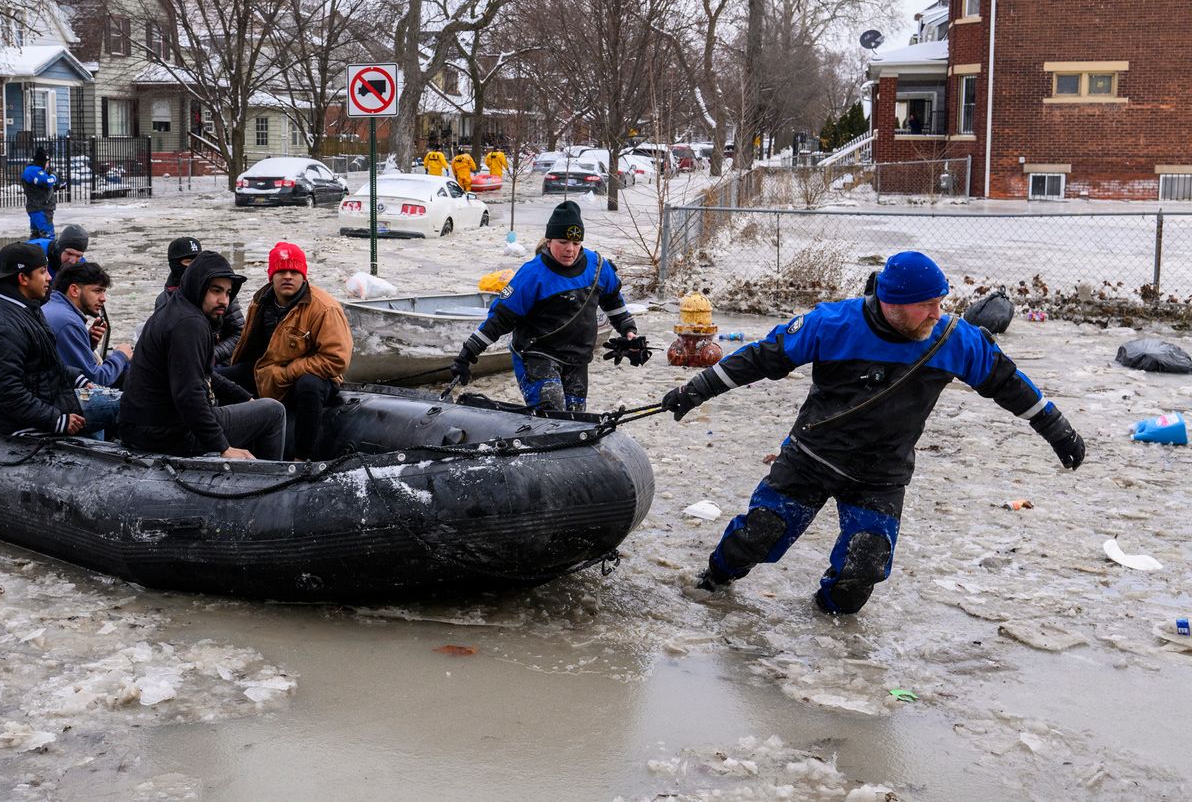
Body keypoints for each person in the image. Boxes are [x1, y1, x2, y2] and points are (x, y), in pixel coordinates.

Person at [669, 251, 1086, 615]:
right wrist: (696, 390)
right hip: (812, 457)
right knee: (759, 536)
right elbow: (761, 357)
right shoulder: (831, 323)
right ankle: (713, 581)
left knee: (862, 571)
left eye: (940, 303)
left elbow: (1006, 382)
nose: (937, 314)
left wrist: (1056, 428)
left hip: (881, 473)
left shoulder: (952, 339)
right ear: (893, 302)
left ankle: (827, 621)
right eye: (927, 305)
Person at [449, 201, 648, 412]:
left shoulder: (597, 266)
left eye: (576, 242)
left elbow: (613, 299)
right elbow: (500, 319)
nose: (570, 249)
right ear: (549, 240)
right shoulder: (532, 274)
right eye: (563, 242)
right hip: (537, 355)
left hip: (577, 358)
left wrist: (628, 331)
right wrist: (467, 354)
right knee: (552, 418)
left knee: (574, 420)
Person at [118, 251, 286, 460]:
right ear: (198, 286)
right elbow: (189, 394)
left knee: (254, 405)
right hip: (167, 433)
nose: (223, 301)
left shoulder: (173, 309)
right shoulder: (190, 324)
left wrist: (244, 397)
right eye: (216, 291)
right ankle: (271, 480)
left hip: (142, 426)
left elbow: (202, 373)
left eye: (227, 293)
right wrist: (223, 447)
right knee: (273, 411)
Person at [0, 242, 109, 438]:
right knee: (127, 407)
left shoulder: (23, 306)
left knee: (112, 405)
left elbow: (44, 361)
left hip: (45, 397)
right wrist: (56, 419)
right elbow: (7, 394)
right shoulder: (2, 326)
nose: (50, 277)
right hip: (22, 419)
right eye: (43, 272)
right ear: (23, 278)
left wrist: (75, 377)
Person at [227, 242, 352, 459]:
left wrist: (287, 373)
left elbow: (336, 359)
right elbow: (250, 350)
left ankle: (302, 457)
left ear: (303, 276)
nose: (287, 276)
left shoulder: (324, 307)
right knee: (222, 378)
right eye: (281, 271)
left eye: (294, 271)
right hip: (269, 370)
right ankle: (221, 442)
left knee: (309, 385)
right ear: (271, 276)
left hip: (313, 377)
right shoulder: (260, 301)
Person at [42, 261, 131, 396]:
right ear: (74, 290)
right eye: (97, 291)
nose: (103, 298)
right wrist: (121, 356)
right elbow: (95, 381)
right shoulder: (68, 322)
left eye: (104, 291)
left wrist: (87, 343)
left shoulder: (53, 308)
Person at [154, 236, 244, 366]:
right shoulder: (164, 300)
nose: (194, 267)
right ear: (174, 264)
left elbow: (240, 333)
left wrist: (212, 356)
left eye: (197, 261)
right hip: (184, 366)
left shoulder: (222, 293)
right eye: (189, 262)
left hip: (220, 364)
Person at [22, 147, 63, 240]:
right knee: (48, 237)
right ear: (42, 161)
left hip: (39, 208)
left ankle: (33, 254)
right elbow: (47, 182)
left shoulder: (36, 171)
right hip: (41, 209)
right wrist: (54, 175)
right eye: (47, 162)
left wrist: (56, 187)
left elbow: (41, 187)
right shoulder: (33, 170)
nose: (48, 165)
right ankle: (47, 254)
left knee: (36, 236)